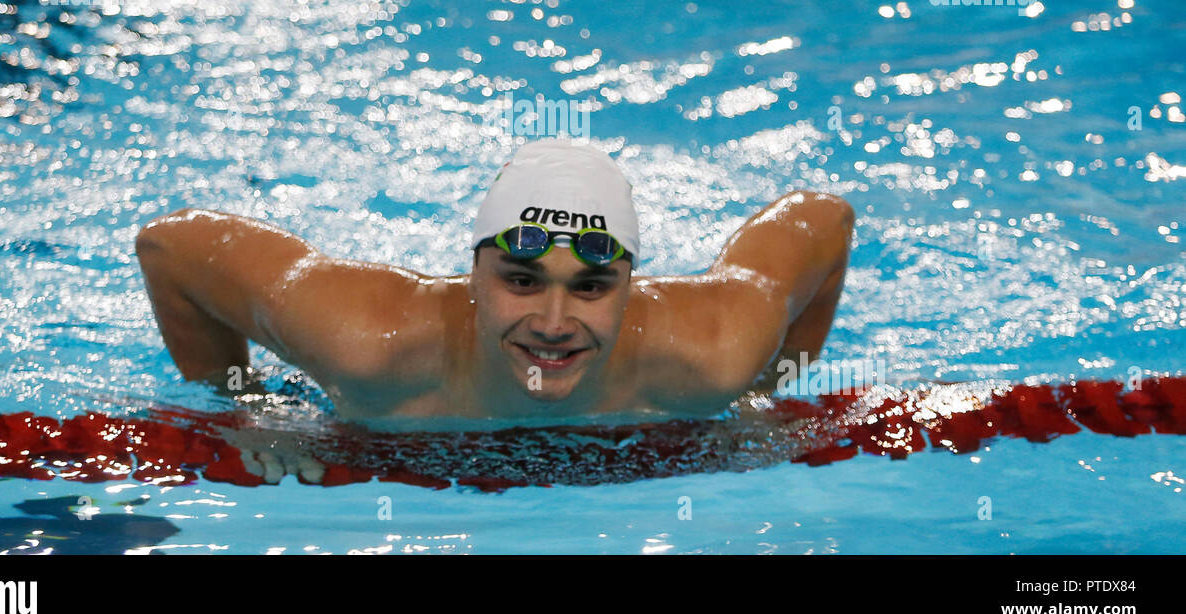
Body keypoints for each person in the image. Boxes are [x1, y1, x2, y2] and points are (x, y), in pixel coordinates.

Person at [136, 138, 854, 422]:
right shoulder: (365, 339)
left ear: (634, 286)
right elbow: (170, 247)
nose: (551, 321)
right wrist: (239, 409)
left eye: (592, 287)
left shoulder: (715, 350)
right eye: (521, 280)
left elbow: (825, 220)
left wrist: (762, 393)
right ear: (472, 274)